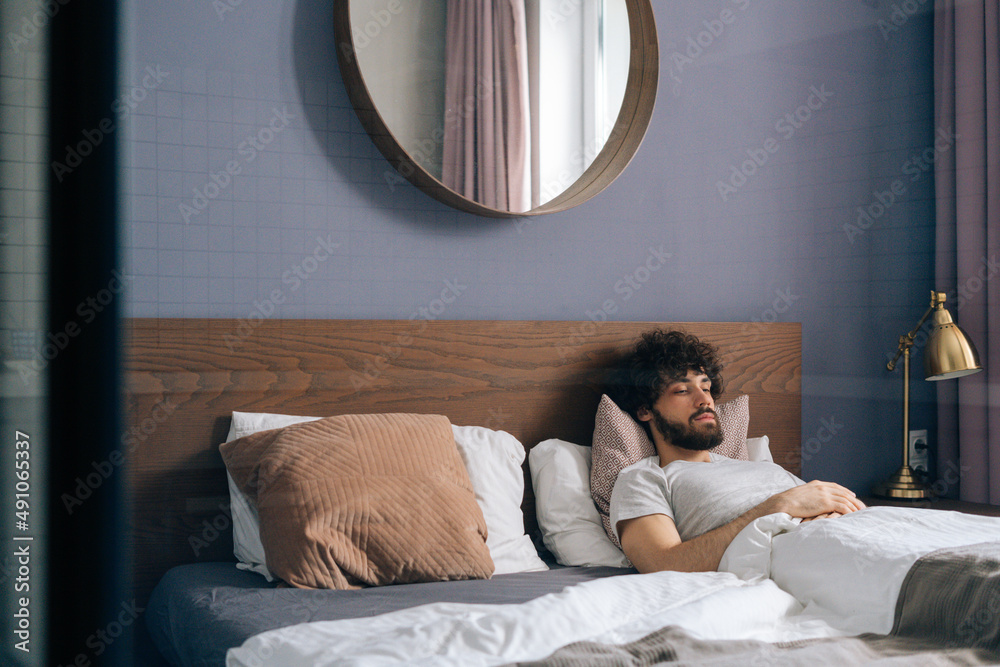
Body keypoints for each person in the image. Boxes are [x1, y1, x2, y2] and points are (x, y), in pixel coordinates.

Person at [607, 329, 866, 574]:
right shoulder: (644, 478)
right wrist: (778, 507)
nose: (705, 400)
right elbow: (664, 564)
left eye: (706, 388)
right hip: (809, 555)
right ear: (645, 410)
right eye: (683, 390)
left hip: (859, 531)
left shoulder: (764, 468)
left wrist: (840, 515)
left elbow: (834, 504)